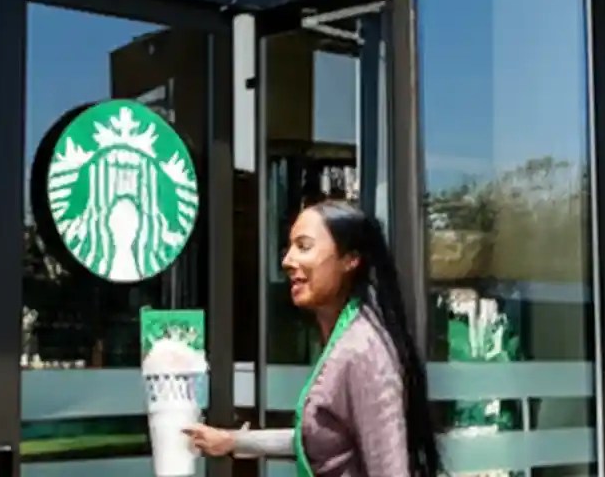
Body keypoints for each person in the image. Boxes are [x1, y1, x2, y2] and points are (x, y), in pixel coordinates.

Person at [184, 200, 442, 477]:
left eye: (304, 247)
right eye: (289, 248)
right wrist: (232, 441)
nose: (287, 261)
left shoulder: (362, 350)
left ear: (349, 260)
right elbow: (317, 440)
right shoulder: (347, 339)